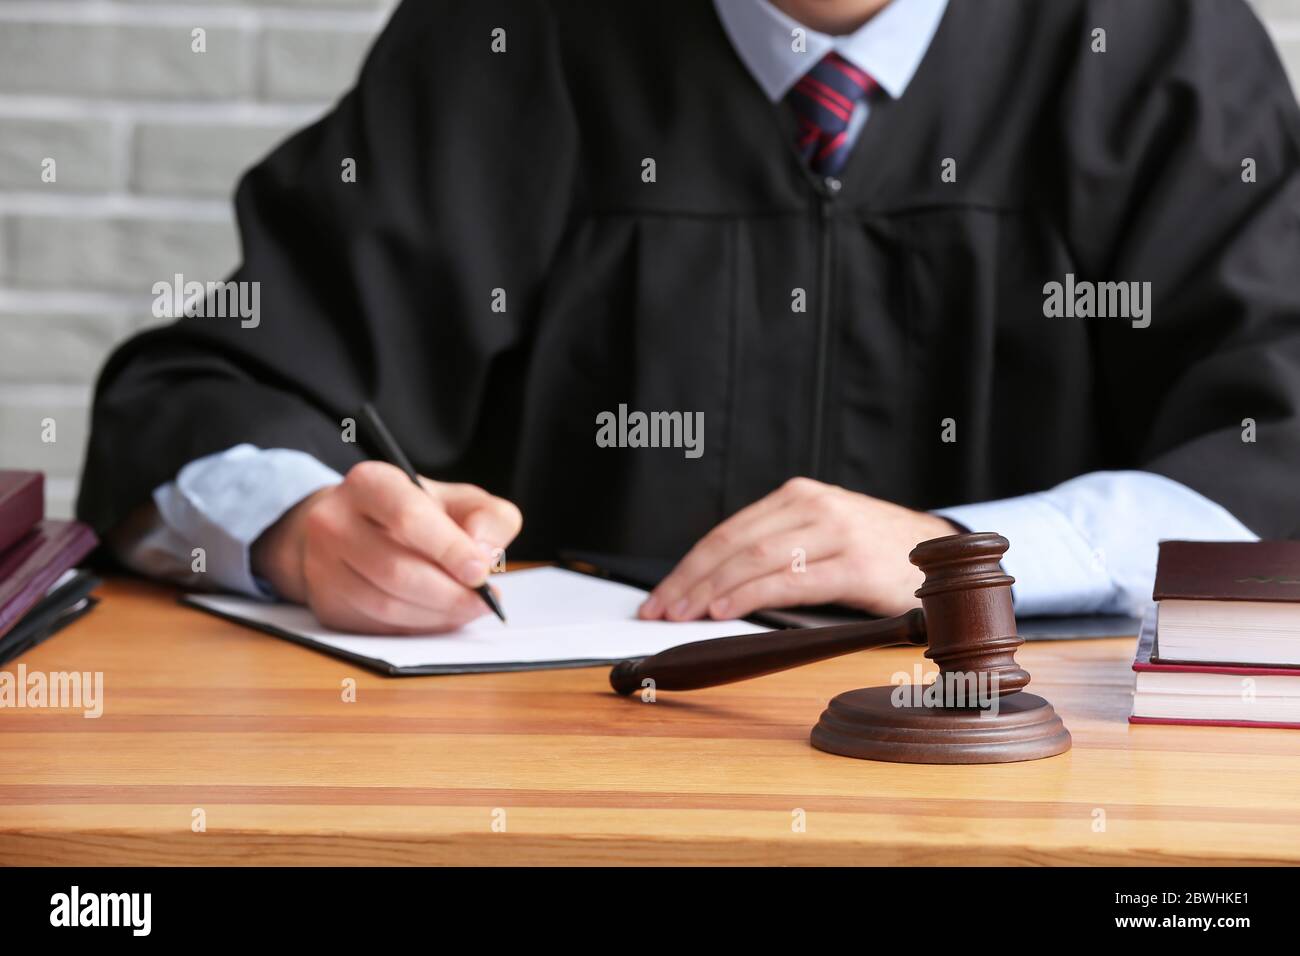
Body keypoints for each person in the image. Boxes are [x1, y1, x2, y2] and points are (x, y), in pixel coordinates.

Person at [79, 0, 1300, 634]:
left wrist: (962, 553)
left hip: (1031, 801)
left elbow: (1277, 458)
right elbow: (198, 395)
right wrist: (303, 531)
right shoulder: (512, 41)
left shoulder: (1154, 51)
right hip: (563, 801)